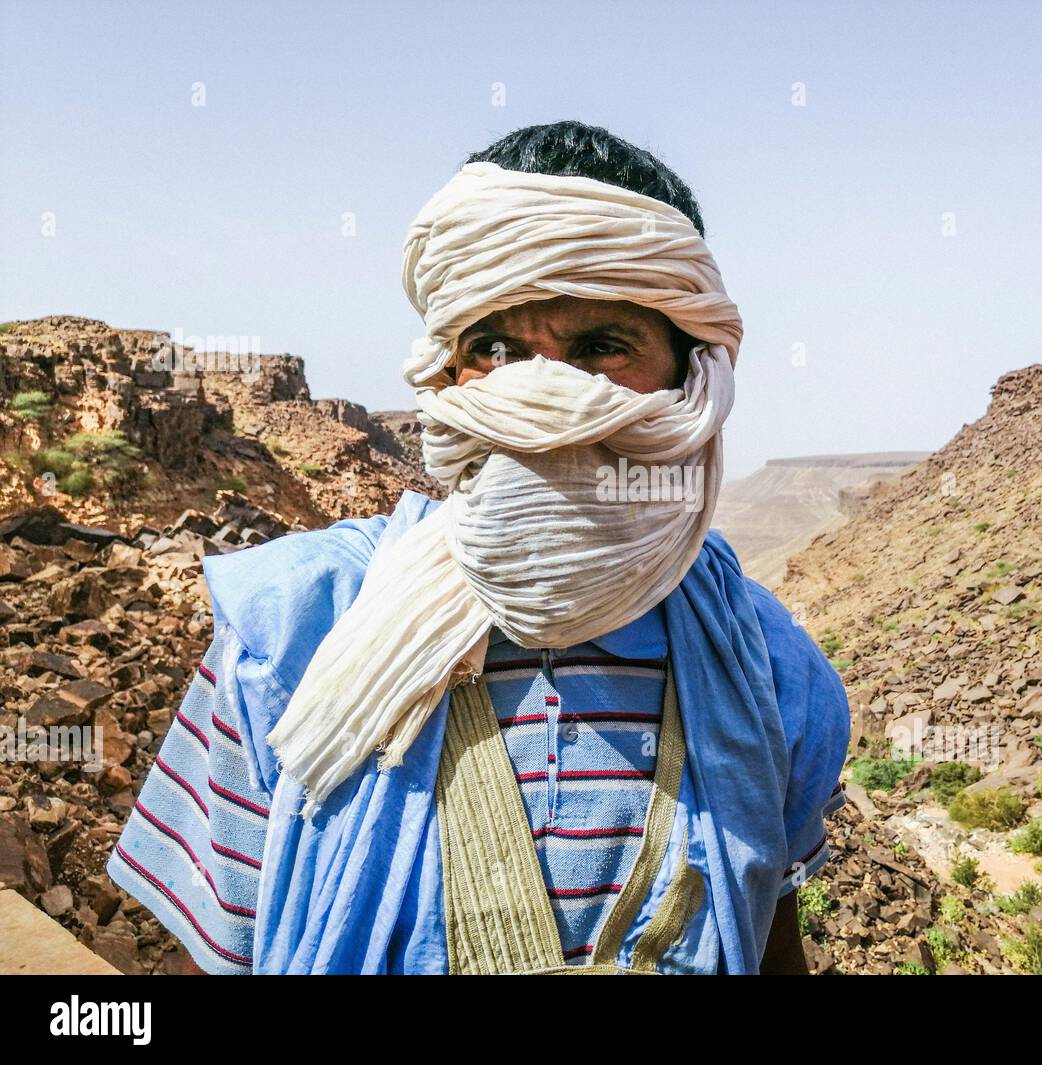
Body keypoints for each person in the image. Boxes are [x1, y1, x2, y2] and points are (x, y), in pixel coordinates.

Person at [106, 120, 850, 975]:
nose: (536, 391)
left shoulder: (769, 669)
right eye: (492, 349)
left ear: (692, 376)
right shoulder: (290, 634)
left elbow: (767, 941)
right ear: (447, 372)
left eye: (602, 346)